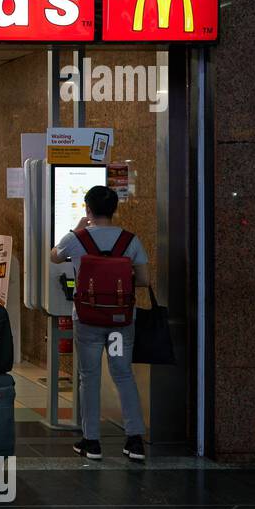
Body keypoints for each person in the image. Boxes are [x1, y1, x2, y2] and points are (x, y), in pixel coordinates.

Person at [50, 185, 150, 462]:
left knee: (89, 377)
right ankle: (134, 440)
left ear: (88, 209)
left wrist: (78, 228)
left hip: (88, 320)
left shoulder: (77, 238)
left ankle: (91, 442)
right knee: (123, 374)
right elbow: (143, 280)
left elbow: (54, 256)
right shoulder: (130, 240)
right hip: (120, 321)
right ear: (115, 209)